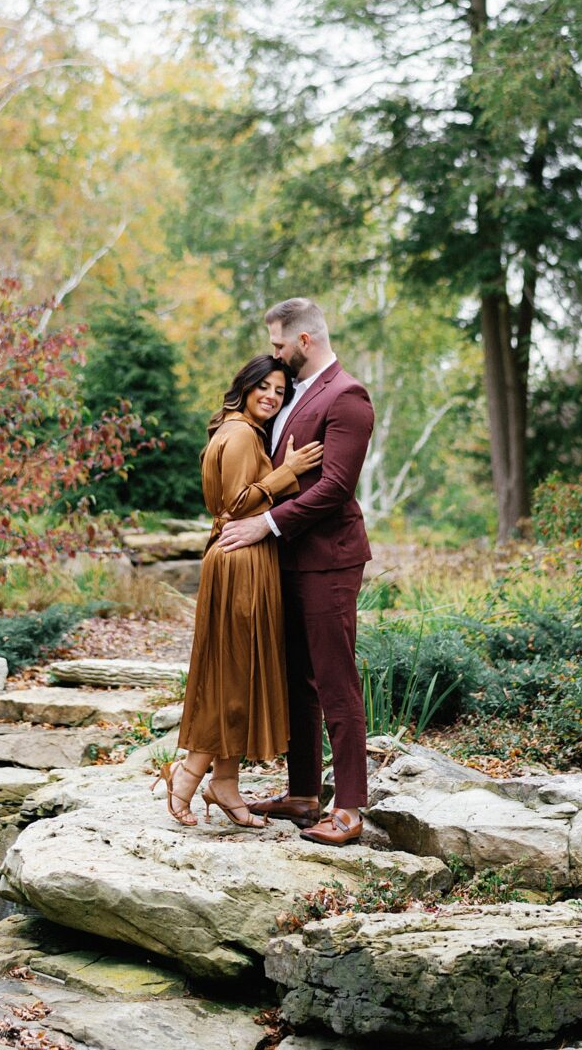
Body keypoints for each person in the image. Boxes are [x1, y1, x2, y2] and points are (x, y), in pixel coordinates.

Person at [218, 297, 374, 846]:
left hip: (329, 558)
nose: (274, 355)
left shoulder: (347, 395)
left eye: (279, 344)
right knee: (299, 682)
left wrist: (266, 524)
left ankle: (351, 807)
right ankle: (305, 793)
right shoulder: (295, 394)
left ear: (304, 341)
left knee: (335, 680)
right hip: (288, 561)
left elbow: (334, 488)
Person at [157, 354, 324, 828]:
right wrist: (287, 472)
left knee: (241, 674)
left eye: (280, 391)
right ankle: (189, 774)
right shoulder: (239, 434)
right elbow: (235, 504)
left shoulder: (240, 431)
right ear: (245, 387)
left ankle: (225, 784)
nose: (271, 397)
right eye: (264, 388)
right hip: (238, 560)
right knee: (232, 676)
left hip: (247, 559)